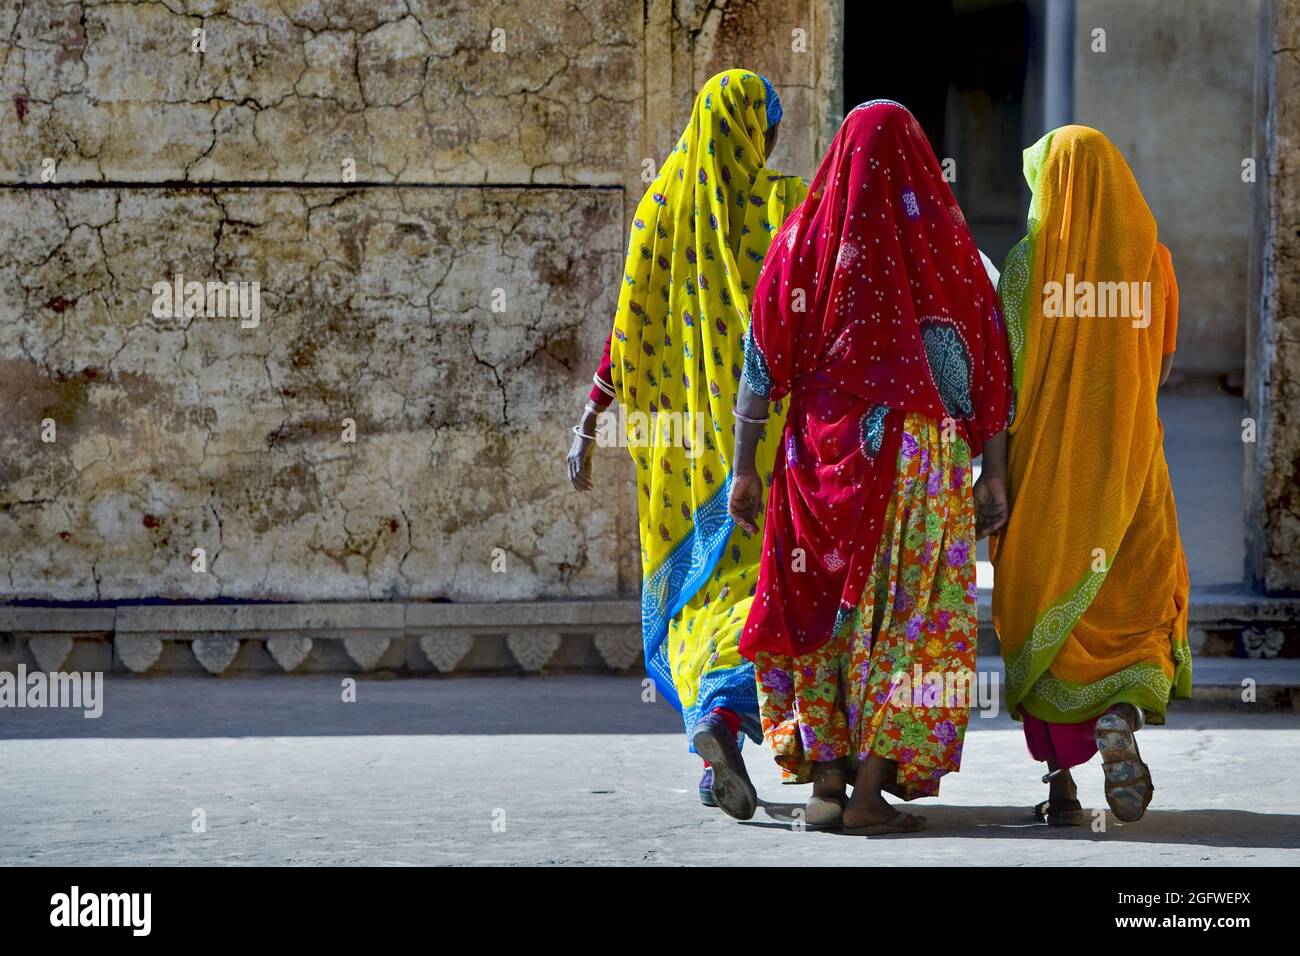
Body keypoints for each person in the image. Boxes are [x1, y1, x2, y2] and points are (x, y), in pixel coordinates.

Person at [730, 100, 1012, 834]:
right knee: (911, 624)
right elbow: (988, 373)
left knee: (821, 607)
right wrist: (996, 473)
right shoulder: (951, 252)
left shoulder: (802, 241)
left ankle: (827, 779)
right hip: (920, 463)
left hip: (819, 452)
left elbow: (760, 364)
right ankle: (868, 794)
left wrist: (744, 469)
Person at [566, 69, 808, 820]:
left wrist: (588, 418)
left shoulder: (659, 209)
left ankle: (714, 735)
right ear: (754, 130)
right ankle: (727, 719)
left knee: (702, 598)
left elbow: (627, 330)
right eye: (767, 128)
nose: (770, 142)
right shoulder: (782, 207)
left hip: (680, 463)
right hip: (762, 449)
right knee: (757, 593)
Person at [985, 125, 1191, 825]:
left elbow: (1002, 387)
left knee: (1046, 624)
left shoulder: (1023, 269)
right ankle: (1120, 717)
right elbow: (1159, 371)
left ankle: (1061, 788)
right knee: (1133, 618)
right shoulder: (1152, 264)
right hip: (1134, 480)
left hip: (1047, 486)